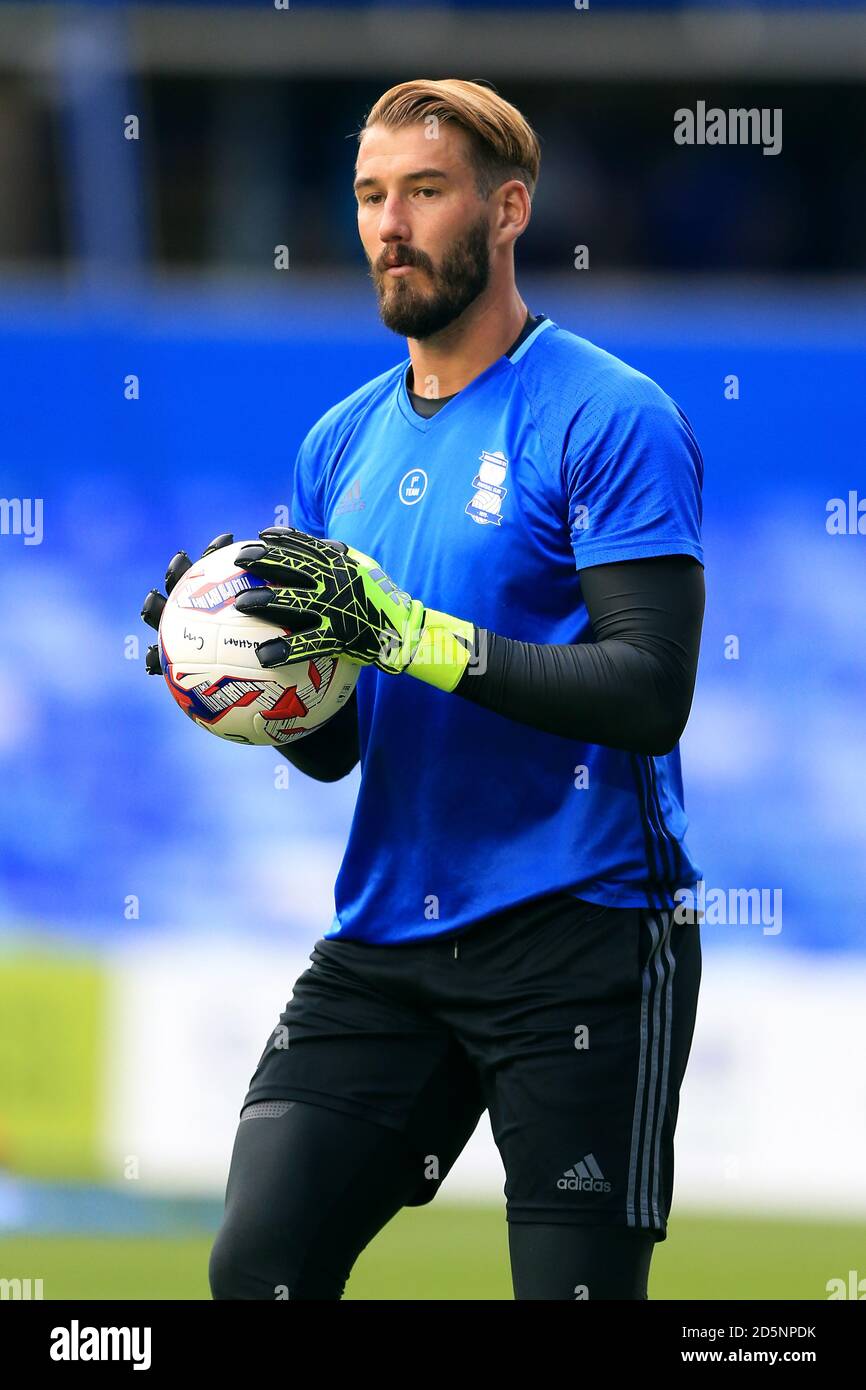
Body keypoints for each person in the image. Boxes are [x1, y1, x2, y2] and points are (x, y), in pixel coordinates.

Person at [142, 78, 705, 1300]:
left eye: (424, 192)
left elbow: (649, 689)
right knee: (259, 1268)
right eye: (368, 195)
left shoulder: (611, 416)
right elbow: (339, 749)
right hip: (388, 935)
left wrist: (402, 634)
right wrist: (247, 677)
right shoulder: (337, 442)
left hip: (587, 933)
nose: (388, 224)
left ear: (506, 211)